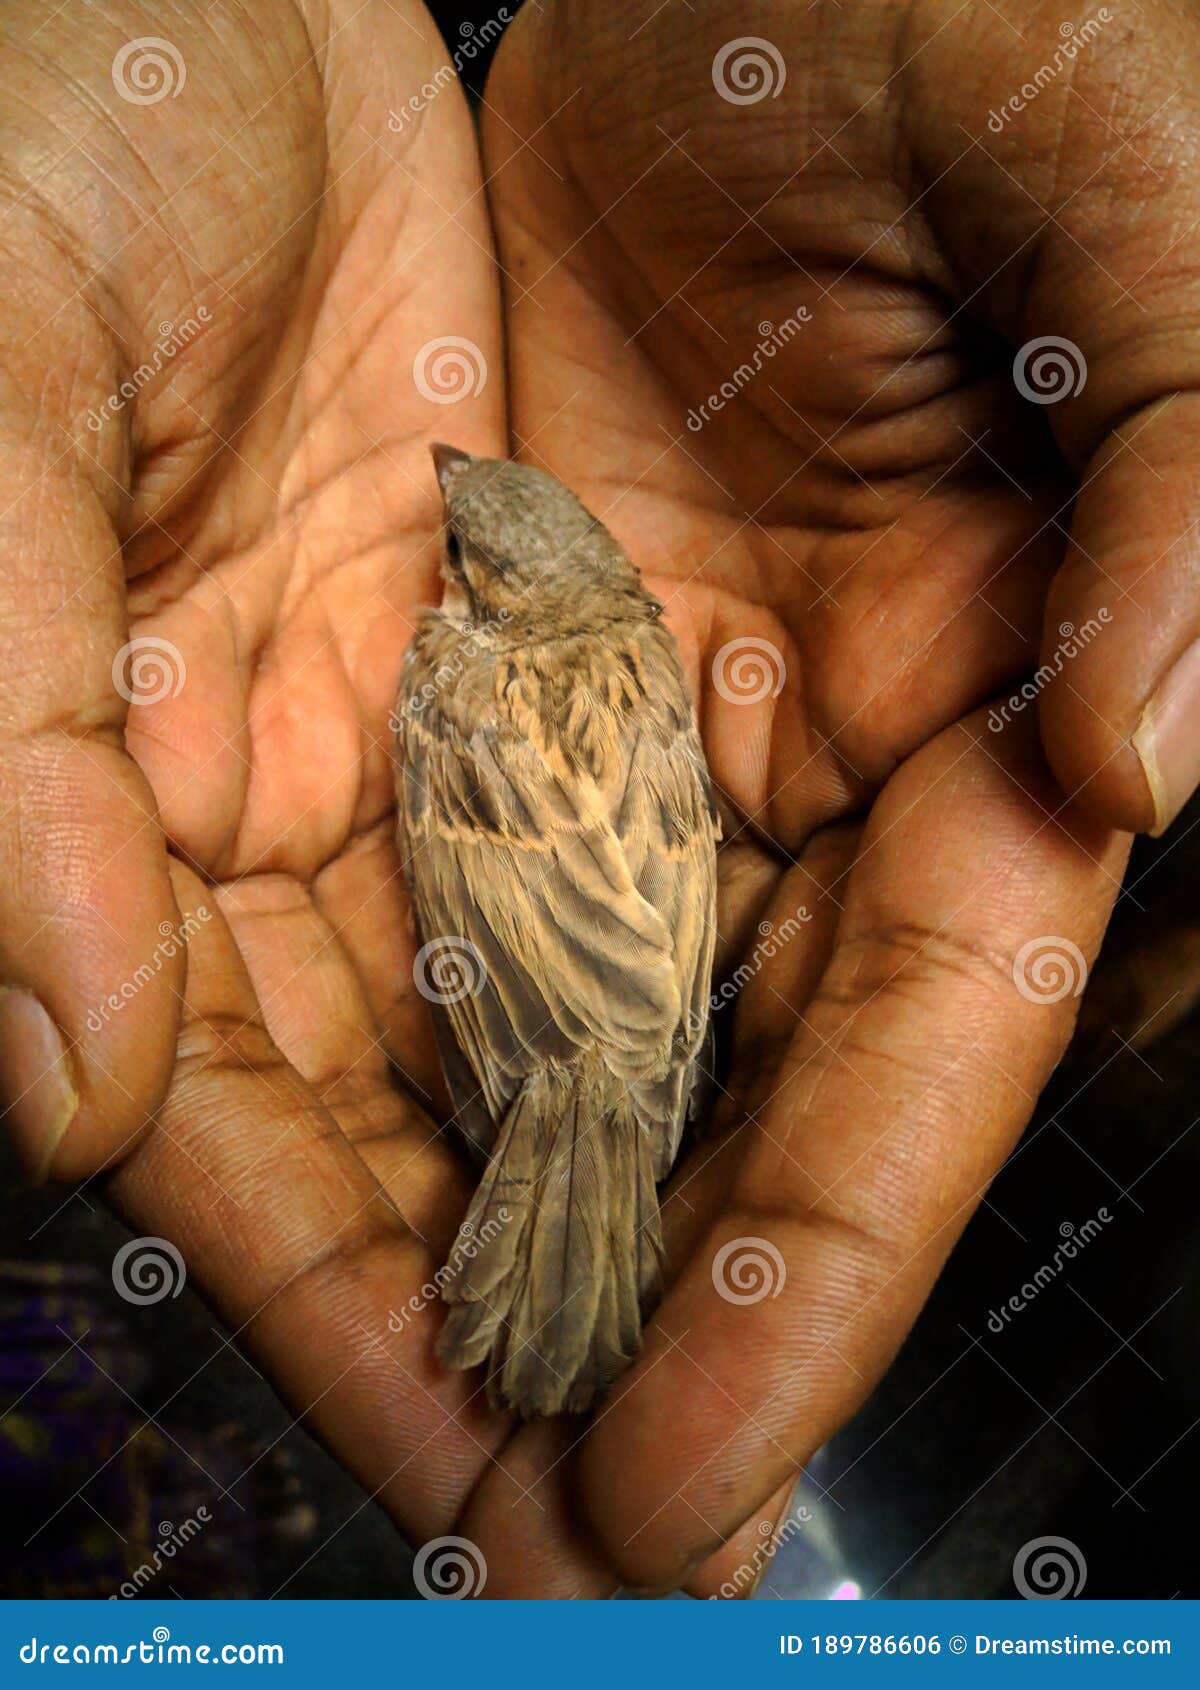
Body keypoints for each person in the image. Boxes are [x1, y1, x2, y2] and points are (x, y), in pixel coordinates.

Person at [0, 0, 1191, 1597]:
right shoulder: (632, 651)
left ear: (500, 592)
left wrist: (532, 1085)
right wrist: (644, 1067)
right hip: (638, 1023)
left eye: (466, 550)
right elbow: (632, 863)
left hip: (558, 1035)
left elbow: (491, 905)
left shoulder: (458, 681)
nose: (445, 522)